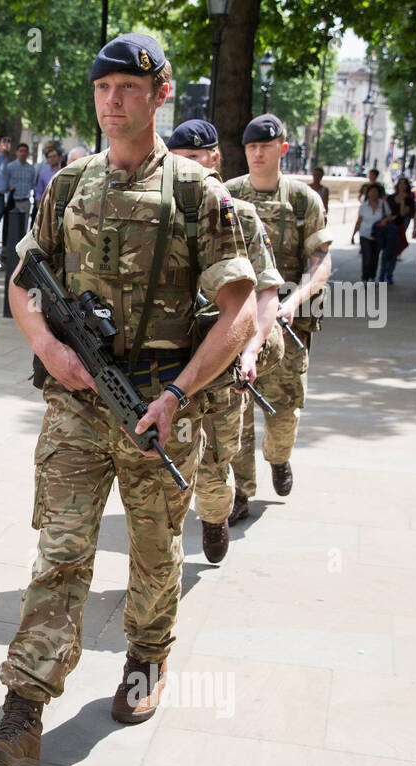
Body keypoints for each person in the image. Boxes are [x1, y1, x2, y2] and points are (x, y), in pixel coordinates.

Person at [0, 34, 257, 766]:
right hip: (75, 403)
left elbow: (241, 313)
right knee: (60, 552)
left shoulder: (199, 195)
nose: (112, 101)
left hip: (160, 405)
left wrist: (178, 393)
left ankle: (145, 662)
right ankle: (23, 709)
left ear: (161, 94)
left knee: (156, 555)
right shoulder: (67, 185)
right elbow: (24, 283)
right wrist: (51, 350)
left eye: (128, 87)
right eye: (102, 88)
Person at [167, 119, 285, 564]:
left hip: (222, 360)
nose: (190, 167)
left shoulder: (241, 217)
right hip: (169, 360)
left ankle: (214, 517)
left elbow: (266, 292)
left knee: (215, 462)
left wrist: (251, 350)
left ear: (214, 160)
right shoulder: (158, 215)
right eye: (182, 160)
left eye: (198, 159)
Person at [225, 114, 333, 517]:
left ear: (282, 149)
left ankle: (278, 456)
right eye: (251, 146)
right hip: (239, 322)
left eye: (265, 147)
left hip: (288, 326)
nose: (256, 153)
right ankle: (241, 493)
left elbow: (321, 262)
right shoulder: (229, 194)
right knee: (235, 413)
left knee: (283, 412)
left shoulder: (304, 200)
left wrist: (296, 299)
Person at [352, 182, 392, 282]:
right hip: (365, 234)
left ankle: (372, 275)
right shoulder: (363, 206)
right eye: (371, 191)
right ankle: (365, 277)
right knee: (367, 257)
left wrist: (384, 221)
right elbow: (359, 221)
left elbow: (389, 216)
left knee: (375, 257)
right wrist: (353, 234)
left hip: (378, 235)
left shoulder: (383, 204)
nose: (373, 193)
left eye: (375, 191)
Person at [380, 176, 414, 282]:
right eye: (401, 183)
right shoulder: (390, 197)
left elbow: (404, 213)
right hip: (389, 226)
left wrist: (403, 200)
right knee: (386, 252)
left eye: (405, 184)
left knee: (394, 252)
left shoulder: (409, 199)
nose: (402, 186)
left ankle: (389, 274)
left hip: (399, 227)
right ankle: (382, 273)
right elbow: (385, 211)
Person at [4, 141, 36, 241]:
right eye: (21, 151)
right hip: (13, 202)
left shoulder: (31, 169)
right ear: (16, 152)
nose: (23, 153)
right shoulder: (10, 167)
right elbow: (5, 183)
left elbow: (33, 184)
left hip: (26, 202)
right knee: (11, 228)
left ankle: (20, 253)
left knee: (24, 227)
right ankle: (9, 251)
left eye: (25, 151)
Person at [31, 141, 61, 224]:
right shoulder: (43, 174)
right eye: (49, 157)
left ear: (59, 158)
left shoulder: (64, 172)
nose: (52, 158)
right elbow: (39, 192)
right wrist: (39, 208)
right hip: (46, 208)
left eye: (54, 156)